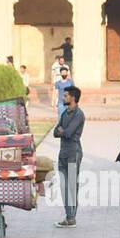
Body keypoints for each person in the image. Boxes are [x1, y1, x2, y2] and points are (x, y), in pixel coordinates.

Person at [52, 85, 84, 226]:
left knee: (71, 185)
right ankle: (69, 216)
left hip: (73, 153)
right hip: (63, 153)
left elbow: (68, 133)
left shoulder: (79, 114)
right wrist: (61, 131)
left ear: (73, 98)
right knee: (64, 185)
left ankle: (71, 217)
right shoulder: (65, 113)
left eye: (65, 96)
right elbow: (55, 132)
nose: (63, 98)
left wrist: (62, 131)